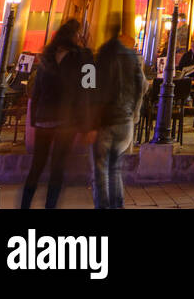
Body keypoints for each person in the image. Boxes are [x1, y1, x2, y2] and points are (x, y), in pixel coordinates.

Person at [20, 18, 93, 210]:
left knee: (37, 166)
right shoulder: (83, 57)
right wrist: (87, 125)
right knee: (57, 167)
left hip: (44, 119)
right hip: (66, 120)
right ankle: (50, 206)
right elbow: (88, 89)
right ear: (76, 36)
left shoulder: (47, 57)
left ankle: (25, 205)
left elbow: (37, 90)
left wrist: (35, 118)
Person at [91, 15, 146, 210]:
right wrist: (135, 111)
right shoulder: (132, 57)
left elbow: (92, 86)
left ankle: (103, 206)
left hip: (107, 119)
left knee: (101, 169)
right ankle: (118, 204)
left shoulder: (103, 54)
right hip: (126, 120)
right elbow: (142, 85)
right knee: (114, 168)